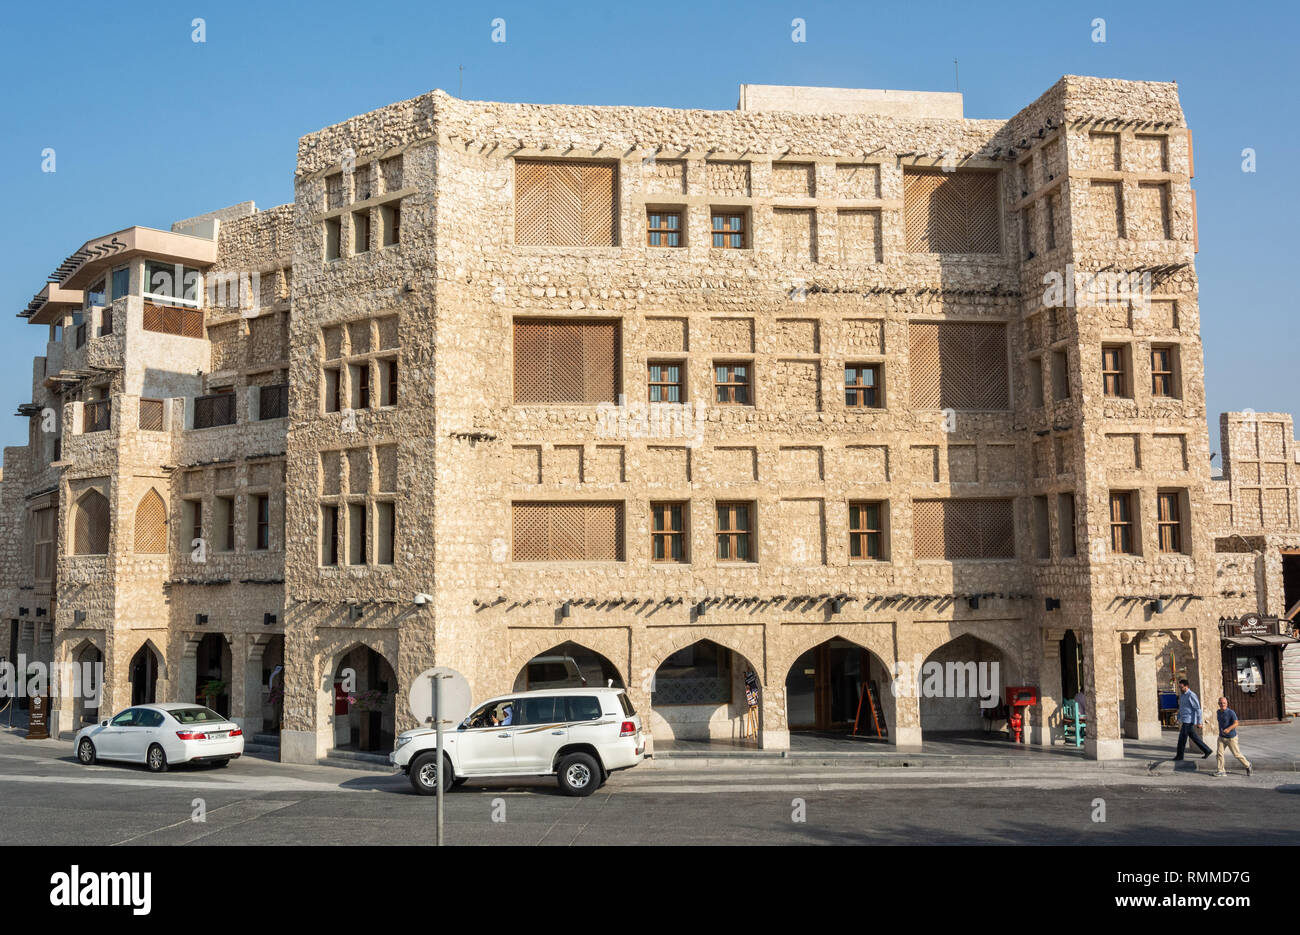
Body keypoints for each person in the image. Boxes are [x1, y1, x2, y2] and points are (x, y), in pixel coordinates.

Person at [1173, 678, 1211, 761]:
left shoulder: (1191, 695)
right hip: (1184, 719)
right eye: (1179, 687)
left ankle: (1180, 756)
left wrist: (1199, 722)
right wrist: (1178, 718)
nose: (1180, 689)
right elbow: (1181, 708)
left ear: (1186, 686)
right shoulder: (1182, 695)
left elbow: (1198, 709)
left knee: (1182, 739)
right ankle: (1207, 750)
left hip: (1189, 720)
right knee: (1194, 738)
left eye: (1181, 687)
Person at [1213, 696, 1253, 777]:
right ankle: (1221, 771)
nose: (1222, 704)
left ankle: (1248, 765)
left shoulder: (1231, 712)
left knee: (1237, 754)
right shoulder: (1218, 712)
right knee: (1219, 754)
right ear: (1218, 704)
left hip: (1231, 738)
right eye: (1220, 703)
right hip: (1221, 737)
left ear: (1227, 704)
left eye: (1224, 703)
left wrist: (1228, 729)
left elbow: (1236, 723)